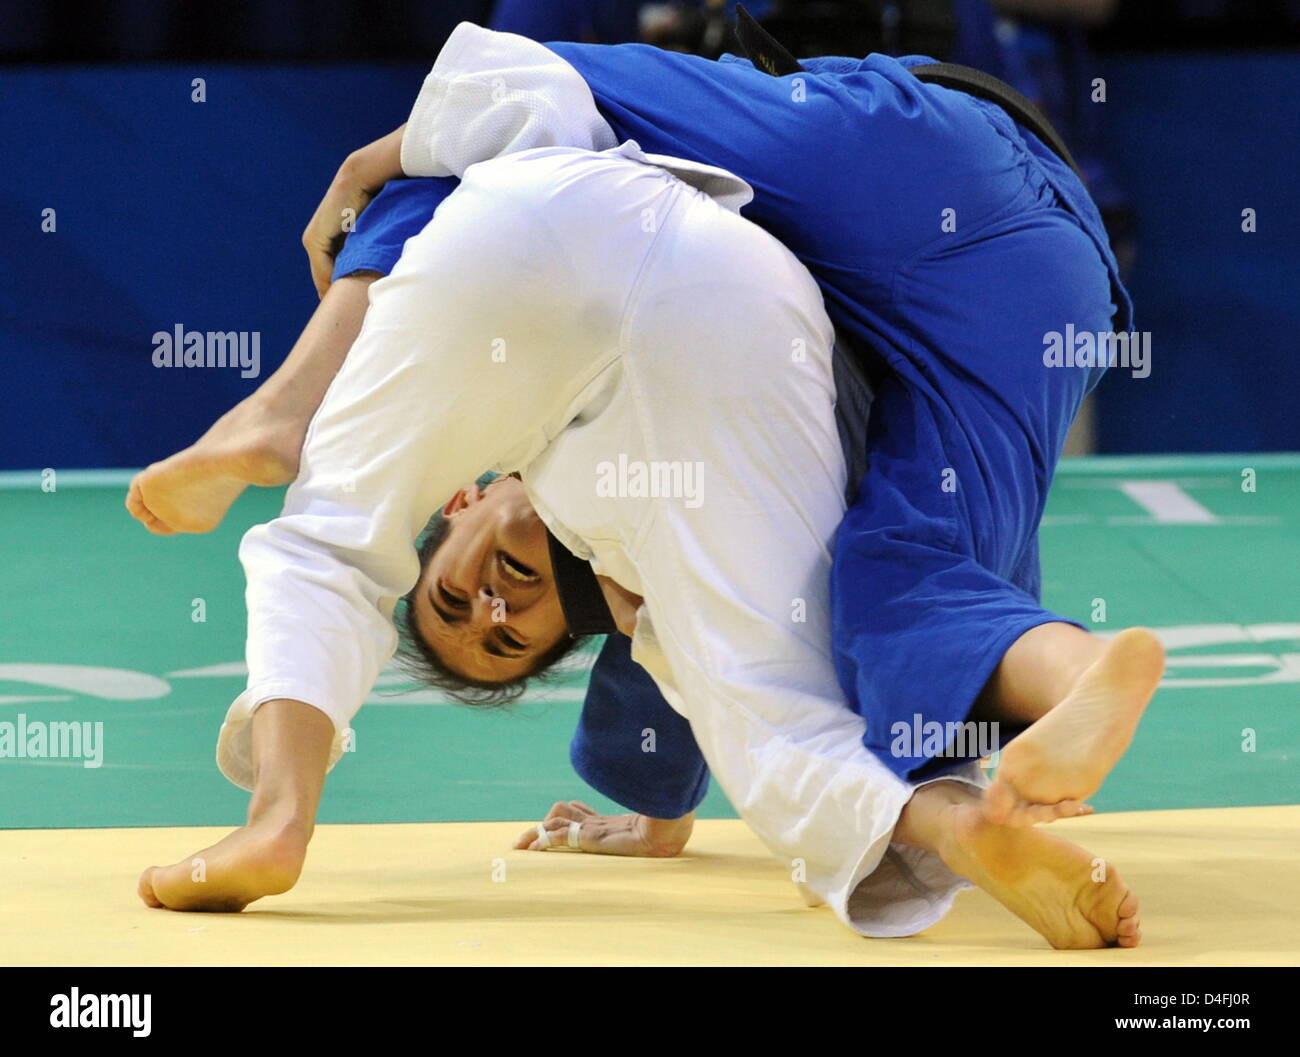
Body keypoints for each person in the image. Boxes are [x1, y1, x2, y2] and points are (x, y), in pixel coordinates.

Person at [128, 23, 1160, 948]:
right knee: (895, 602)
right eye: (508, 638)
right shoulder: (640, 582)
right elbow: (729, 694)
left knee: (333, 515)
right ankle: (1045, 718)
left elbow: (511, 90)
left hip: (809, 169)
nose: (492, 604)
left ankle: (277, 784)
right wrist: (957, 777)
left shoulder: (525, 458)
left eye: (454, 597)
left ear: (460, 502)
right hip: (872, 292)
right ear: (585, 623)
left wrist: (373, 159)